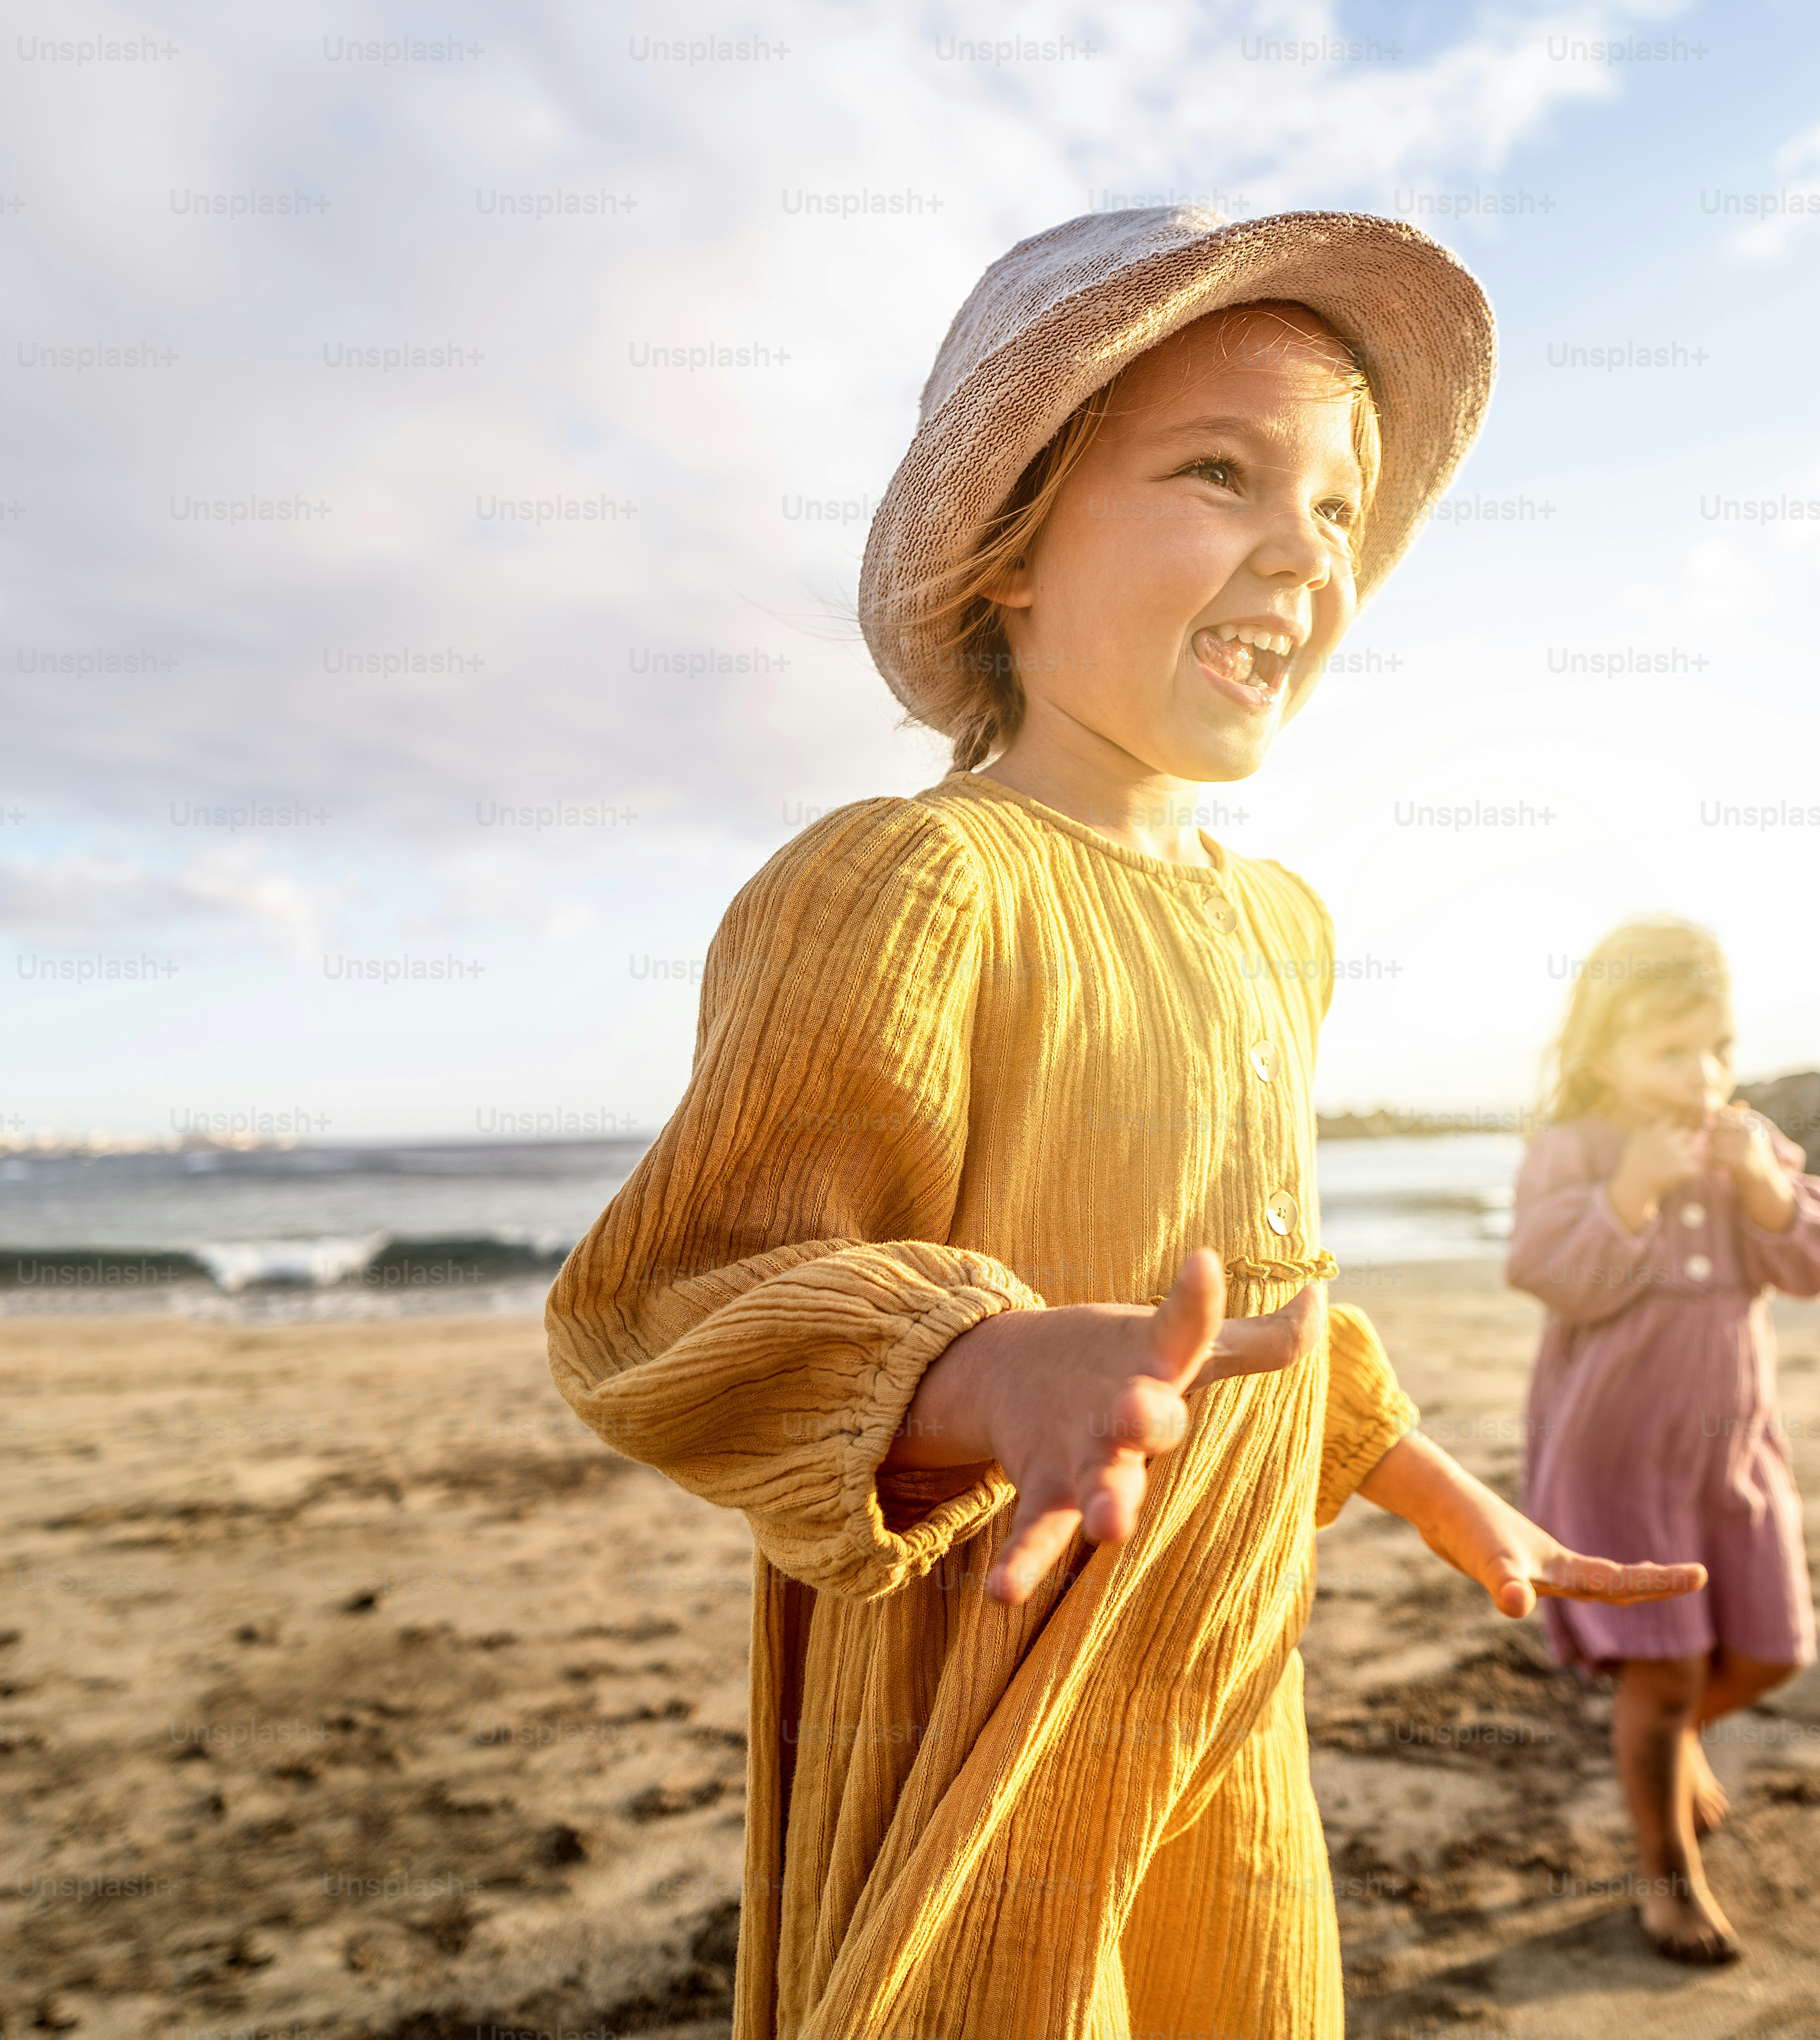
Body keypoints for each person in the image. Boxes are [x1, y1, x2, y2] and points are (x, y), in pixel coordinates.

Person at [545, 205, 1703, 2038]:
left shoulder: (1280, 924)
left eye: (1335, 509)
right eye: (1218, 472)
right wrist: (979, 1367)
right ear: (1005, 550)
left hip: (1228, 1692)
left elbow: (1260, 1292)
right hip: (982, 1705)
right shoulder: (906, 881)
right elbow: (681, 1292)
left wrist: (1416, 1474)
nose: (1299, 554)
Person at [1506, 916, 1820, 1964]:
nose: (1703, 1076)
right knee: (1659, 1677)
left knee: (1769, 1650)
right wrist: (1631, 1194)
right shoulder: (1574, 1151)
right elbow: (1549, 1271)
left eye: (1719, 1050)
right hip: (1615, 1464)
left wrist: (1766, 1190)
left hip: (1733, 1460)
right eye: (1671, 1053)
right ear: (1601, 1053)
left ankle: (1675, 1747)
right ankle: (1667, 1875)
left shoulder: (1749, 1147)